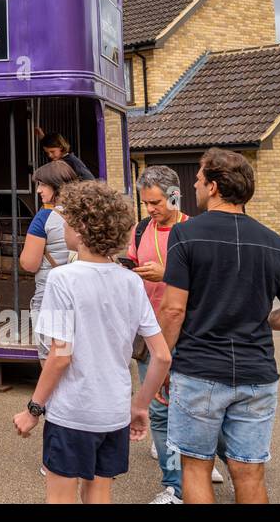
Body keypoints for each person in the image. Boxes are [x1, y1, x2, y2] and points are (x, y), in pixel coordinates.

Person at [160, 148, 280, 505]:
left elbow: (172, 311)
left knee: (196, 467)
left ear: (213, 187)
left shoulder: (185, 235)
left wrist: (162, 363)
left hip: (199, 370)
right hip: (257, 374)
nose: (194, 185)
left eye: (198, 179)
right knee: (249, 471)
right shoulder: (278, 245)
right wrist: (266, 318)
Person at [13, 181, 172, 503]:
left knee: (61, 497)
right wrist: (140, 405)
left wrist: (33, 409)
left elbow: (60, 355)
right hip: (113, 413)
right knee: (99, 494)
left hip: (72, 412)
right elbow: (162, 356)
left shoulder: (62, 279)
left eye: (68, 219)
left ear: (81, 228)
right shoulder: (131, 281)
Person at [127, 165, 211, 504]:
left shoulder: (196, 231)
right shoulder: (140, 230)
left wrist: (167, 273)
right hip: (149, 334)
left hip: (190, 333)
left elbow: (209, 284)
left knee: (197, 408)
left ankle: (201, 466)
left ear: (175, 195)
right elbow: (133, 267)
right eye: (146, 203)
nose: (151, 209)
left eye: (157, 202)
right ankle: (175, 485)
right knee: (159, 411)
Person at [19, 160, 79, 363]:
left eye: (43, 185)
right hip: (80, 294)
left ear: (56, 186)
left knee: (52, 357)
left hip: (50, 296)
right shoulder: (86, 214)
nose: (38, 190)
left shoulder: (44, 217)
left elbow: (29, 263)